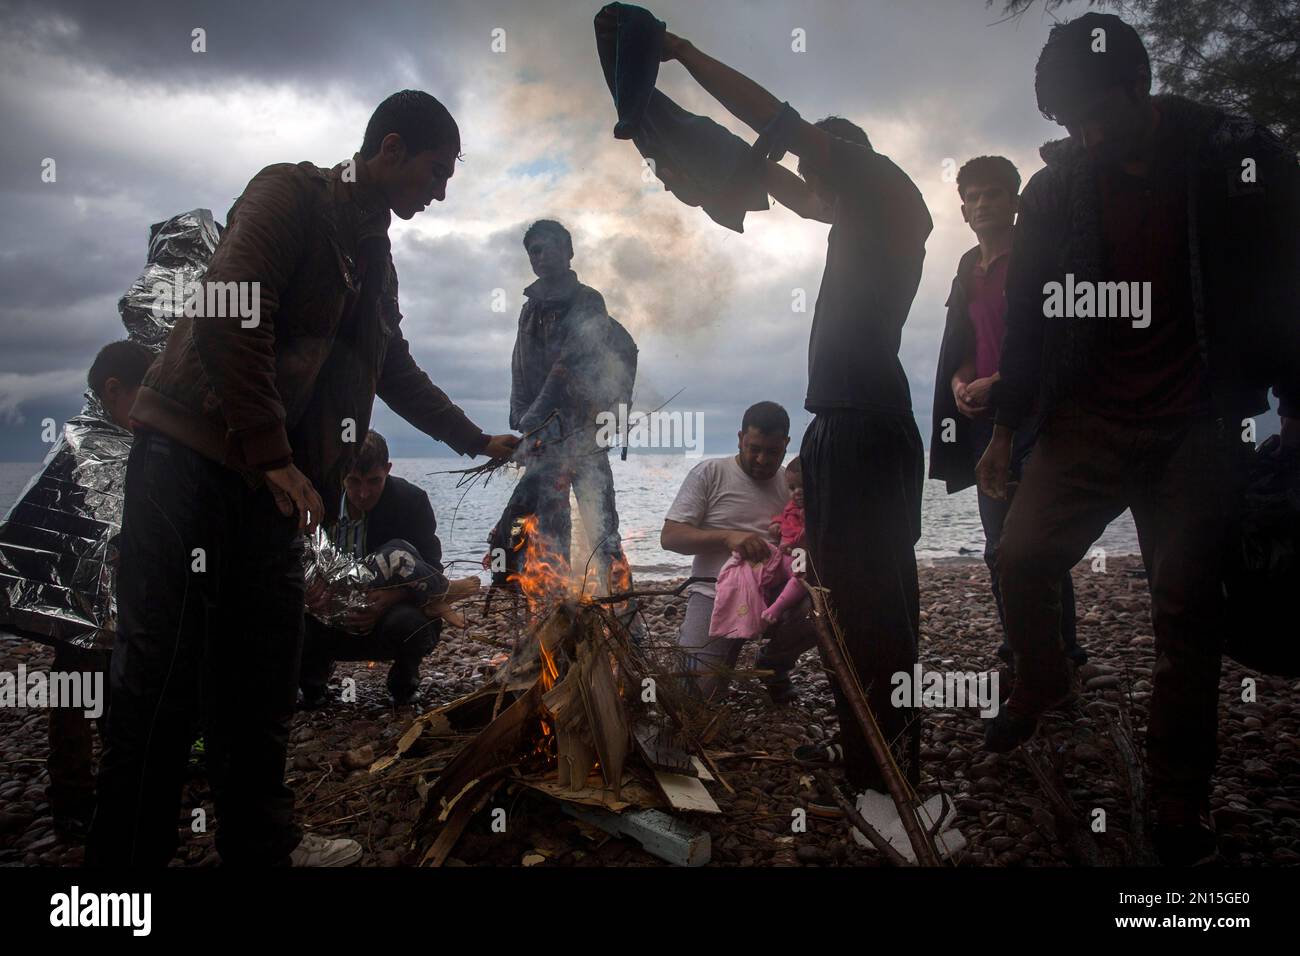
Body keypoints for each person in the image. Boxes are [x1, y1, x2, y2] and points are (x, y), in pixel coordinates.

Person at [89, 90, 519, 868]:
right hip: (192, 468)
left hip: (269, 492)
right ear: (390, 150)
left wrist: (474, 437)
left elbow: (395, 369)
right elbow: (227, 313)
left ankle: (263, 845)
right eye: (437, 171)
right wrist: (274, 453)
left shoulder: (374, 253)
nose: (442, 190)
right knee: (160, 685)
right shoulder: (289, 194)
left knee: (260, 681)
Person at [976, 13, 1300, 865]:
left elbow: (1287, 281)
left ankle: (1179, 802)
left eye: (1092, 112)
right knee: (1018, 558)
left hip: (1196, 420)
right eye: (1065, 122)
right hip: (1088, 416)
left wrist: (1294, 403)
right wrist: (1008, 427)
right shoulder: (1057, 190)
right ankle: (1044, 676)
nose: (1081, 134)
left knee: (1186, 607)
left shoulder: (1237, 156)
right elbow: (1031, 320)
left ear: (1138, 87)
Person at [659, 31, 934, 803]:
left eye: (823, 173)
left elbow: (777, 124)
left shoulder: (888, 194)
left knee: (872, 606)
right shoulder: (861, 220)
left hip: (865, 427)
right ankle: (869, 759)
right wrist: (686, 145)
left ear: (847, 166)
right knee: (855, 600)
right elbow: (784, 178)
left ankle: (885, 775)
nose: (813, 192)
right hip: (847, 426)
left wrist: (682, 52)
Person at [929, 156, 1085, 679]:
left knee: (1033, 540)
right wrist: (959, 383)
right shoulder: (966, 266)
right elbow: (962, 338)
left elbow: (1054, 340)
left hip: (1037, 416)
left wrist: (1001, 382)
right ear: (962, 209)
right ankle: (1021, 642)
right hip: (982, 422)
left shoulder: (1038, 257)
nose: (982, 204)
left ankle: (1061, 650)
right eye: (973, 197)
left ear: (1015, 201)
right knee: (999, 541)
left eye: (994, 193)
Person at [44, 340, 154, 840]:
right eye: (142, 396)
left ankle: (118, 782)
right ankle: (70, 797)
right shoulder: (87, 443)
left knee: (120, 685)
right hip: (80, 599)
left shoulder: (120, 436)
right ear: (113, 390)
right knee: (74, 691)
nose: (148, 410)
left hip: (118, 598)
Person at [500, 219, 637, 598]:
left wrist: (531, 418)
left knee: (603, 534)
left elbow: (569, 368)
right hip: (545, 441)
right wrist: (523, 423)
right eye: (533, 252)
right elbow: (520, 366)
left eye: (548, 248)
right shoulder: (529, 310)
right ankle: (556, 622)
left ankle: (628, 623)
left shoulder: (588, 301)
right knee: (548, 535)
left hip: (584, 440)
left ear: (569, 251)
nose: (540, 257)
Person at [300, 431, 477, 709]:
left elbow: (432, 562)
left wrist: (392, 598)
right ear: (342, 473)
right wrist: (310, 593)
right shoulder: (319, 500)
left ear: (388, 470)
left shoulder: (410, 501)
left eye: (374, 482)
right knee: (288, 615)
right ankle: (311, 686)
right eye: (354, 481)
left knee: (408, 619)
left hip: (384, 613)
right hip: (330, 608)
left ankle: (404, 685)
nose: (362, 493)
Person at [661, 402, 816, 703]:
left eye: (772, 451)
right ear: (740, 438)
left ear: (786, 445)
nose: (762, 459)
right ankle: (713, 656)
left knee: (822, 607)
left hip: (775, 596)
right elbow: (670, 537)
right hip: (714, 594)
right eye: (753, 448)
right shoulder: (710, 473)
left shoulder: (792, 484)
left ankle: (773, 662)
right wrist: (728, 538)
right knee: (693, 700)